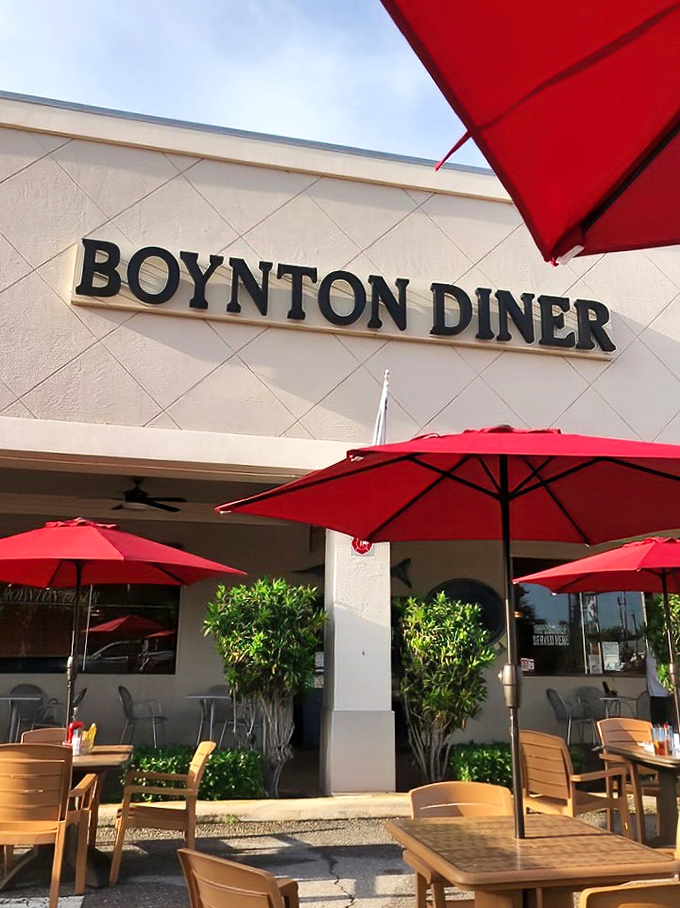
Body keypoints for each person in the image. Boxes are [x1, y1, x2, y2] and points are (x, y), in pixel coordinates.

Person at [646, 643, 672, 725]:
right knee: (663, 726)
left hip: (658, 694)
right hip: (662, 695)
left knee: (659, 726)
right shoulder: (657, 651)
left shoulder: (651, 651)